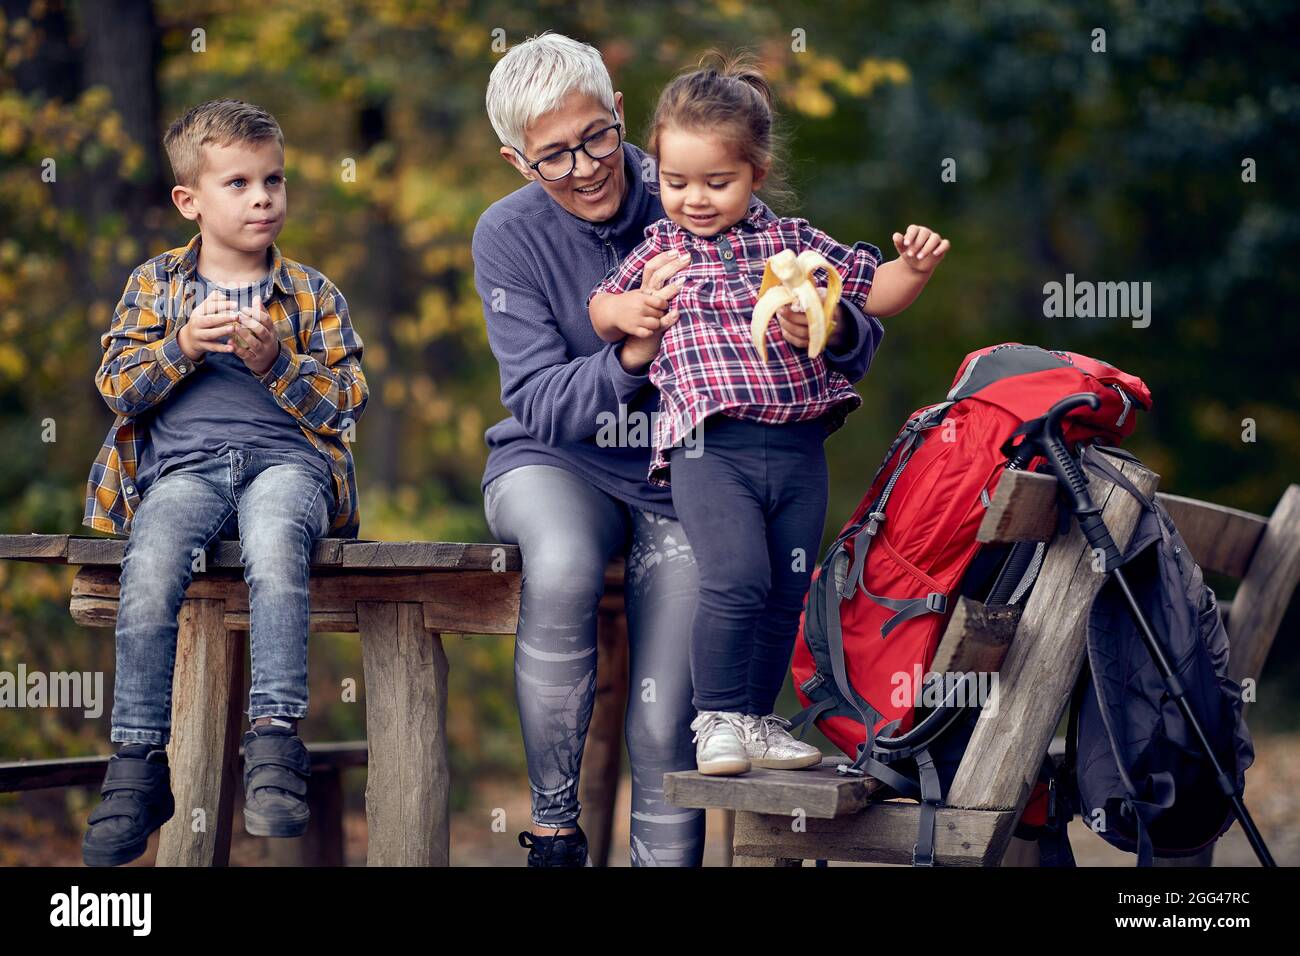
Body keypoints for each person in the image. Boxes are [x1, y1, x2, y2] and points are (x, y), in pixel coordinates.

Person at [476, 33, 884, 865]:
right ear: (519, 163)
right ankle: (554, 828)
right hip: (551, 463)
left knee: (673, 714)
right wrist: (629, 355)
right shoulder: (506, 236)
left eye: (596, 137)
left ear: (619, 115)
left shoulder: (695, 178)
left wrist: (831, 329)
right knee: (561, 566)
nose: (587, 166)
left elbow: (852, 316)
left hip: (686, 476)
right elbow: (539, 402)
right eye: (555, 157)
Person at [587, 53, 949, 776]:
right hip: (709, 448)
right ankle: (716, 717)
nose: (693, 198)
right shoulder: (658, 252)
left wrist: (913, 267)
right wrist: (634, 311)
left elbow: (872, 292)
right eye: (675, 181)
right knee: (737, 577)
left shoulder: (795, 247)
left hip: (795, 448)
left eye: (716, 182)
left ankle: (757, 720)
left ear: (755, 173)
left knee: (787, 587)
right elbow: (602, 311)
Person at [80, 99, 368, 866]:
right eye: (238, 182)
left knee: (277, 546)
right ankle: (137, 763)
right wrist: (178, 347)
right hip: (185, 472)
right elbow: (116, 387)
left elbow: (346, 403)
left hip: (288, 466)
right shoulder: (157, 286)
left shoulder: (310, 293)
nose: (263, 197)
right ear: (190, 201)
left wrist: (278, 362)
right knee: (150, 568)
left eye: (273, 179)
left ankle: (273, 742)